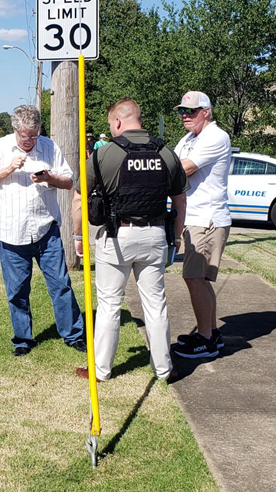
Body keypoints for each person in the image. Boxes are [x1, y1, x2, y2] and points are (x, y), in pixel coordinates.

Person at [71, 99, 188, 383]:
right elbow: (181, 200)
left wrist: (78, 235)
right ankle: (163, 369)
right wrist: (176, 234)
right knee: (155, 303)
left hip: (116, 236)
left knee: (110, 305)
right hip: (155, 234)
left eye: (111, 124)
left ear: (119, 122)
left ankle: (101, 371)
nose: (111, 129)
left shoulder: (103, 155)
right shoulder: (166, 153)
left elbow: (79, 199)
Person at [0, 105, 86, 356]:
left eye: (34, 135)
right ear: (15, 130)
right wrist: (8, 169)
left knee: (61, 285)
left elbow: (69, 182)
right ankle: (23, 339)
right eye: (26, 136)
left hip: (46, 230)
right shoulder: (1, 148)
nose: (30, 141)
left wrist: (49, 177)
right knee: (17, 291)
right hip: (12, 234)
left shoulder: (49, 147)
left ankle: (73, 334)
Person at [170, 91, 232, 359]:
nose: (185, 116)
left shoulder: (216, 137)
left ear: (206, 111)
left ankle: (206, 339)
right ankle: (210, 333)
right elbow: (171, 163)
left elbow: (183, 168)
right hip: (193, 218)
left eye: (191, 111)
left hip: (207, 219)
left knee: (195, 278)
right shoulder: (188, 138)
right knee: (201, 280)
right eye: (183, 111)